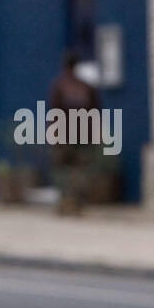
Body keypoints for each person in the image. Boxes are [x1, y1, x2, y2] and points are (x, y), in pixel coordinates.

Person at [47, 50, 99, 215]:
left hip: (64, 135)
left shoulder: (60, 86)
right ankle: (76, 204)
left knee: (62, 171)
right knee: (79, 170)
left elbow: (54, 112)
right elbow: (95, 113)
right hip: (83, 135)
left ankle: (64, 203)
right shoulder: (87, 88)